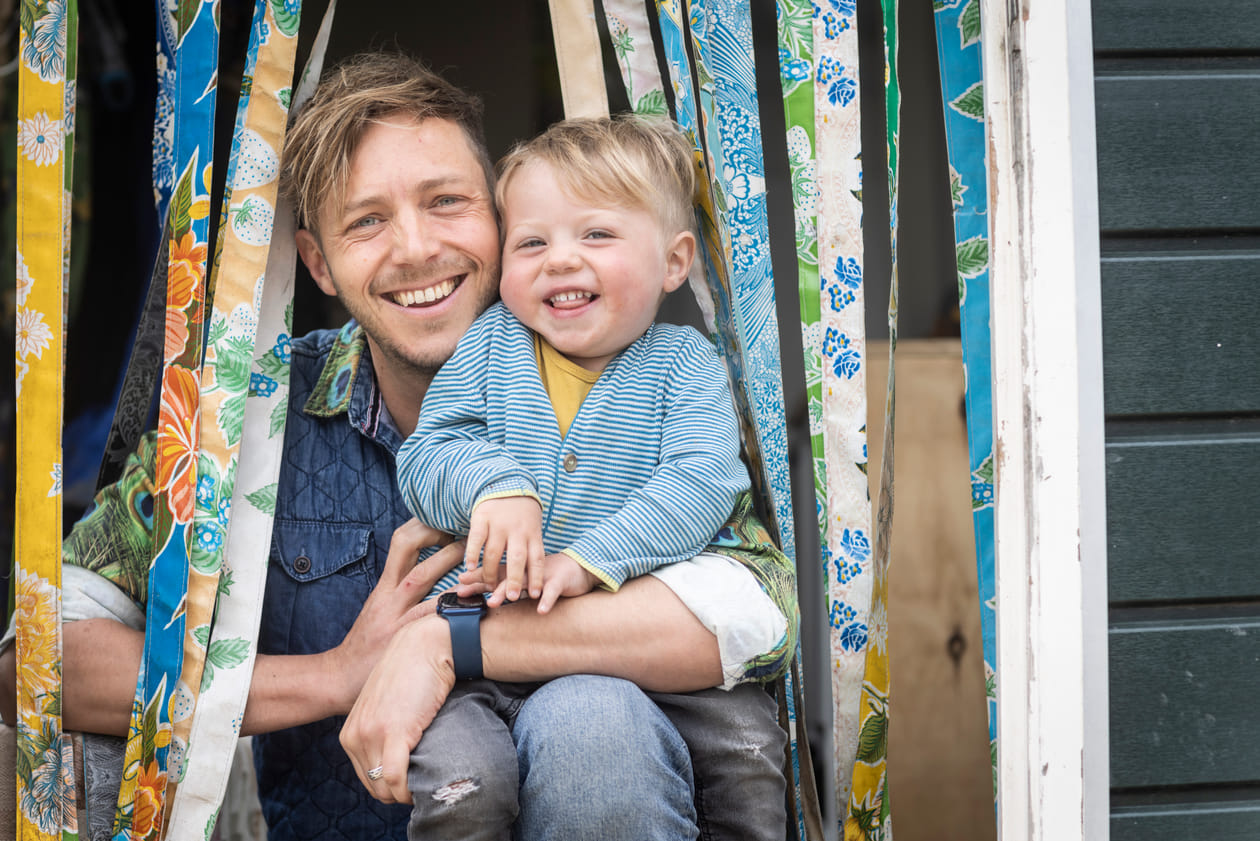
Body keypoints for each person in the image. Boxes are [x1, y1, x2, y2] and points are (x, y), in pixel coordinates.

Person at [0, 52, 799, 841]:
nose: (415, 248)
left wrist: (447, 641)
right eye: (366, 220)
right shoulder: (244, 420)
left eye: (447, 201)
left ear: (501, 219)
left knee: (594, 719)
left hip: (615, 785)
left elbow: (760, 608)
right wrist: (333, 674)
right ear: (319, 262)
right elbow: (36, 663)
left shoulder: (646, 383)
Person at [391, 116, 787, 841]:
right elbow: (426, 454)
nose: (561, 260)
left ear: (673, 262)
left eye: (597, 235)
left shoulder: (684, 364)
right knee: (459, 788)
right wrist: (495, 484)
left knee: (748, 763)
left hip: (651, 654)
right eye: (532, 243)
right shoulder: (490, 344)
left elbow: (701, 482)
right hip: (483, 664)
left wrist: (590, 559)